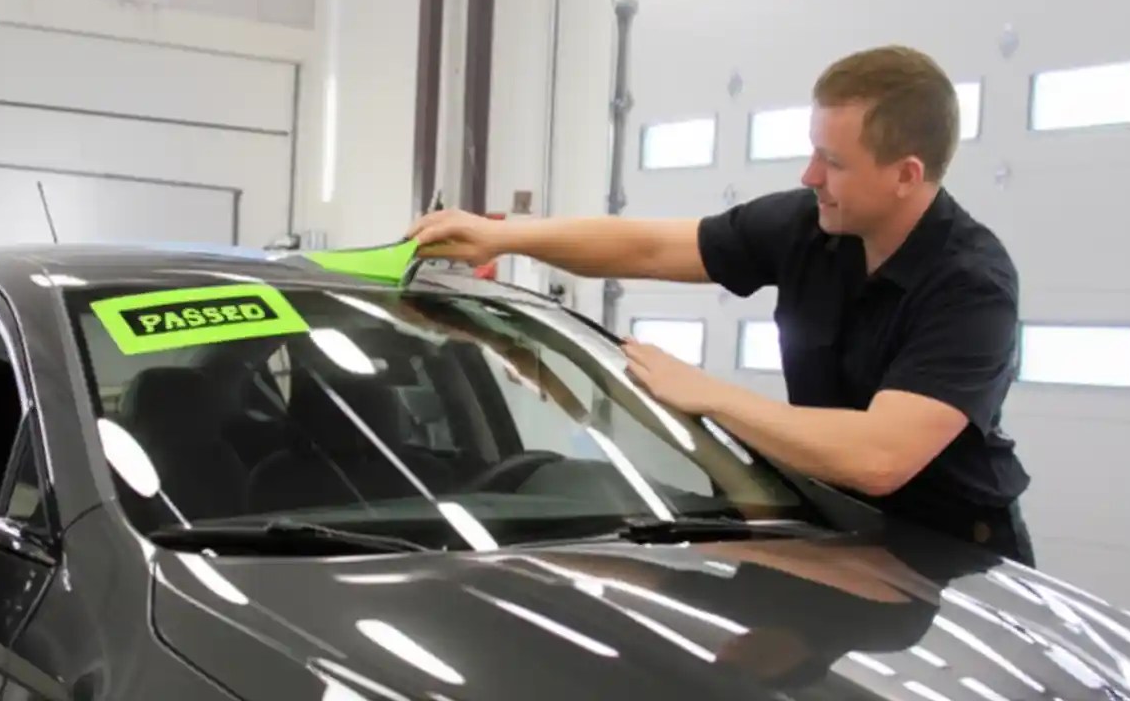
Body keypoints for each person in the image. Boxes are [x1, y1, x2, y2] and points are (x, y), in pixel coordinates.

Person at [405, 44, 1034, 566]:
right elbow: (650, 247)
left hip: (954, 559)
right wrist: (504, 236)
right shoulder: (810, 227)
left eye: (832, 161)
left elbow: (879, 457)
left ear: (906, 175)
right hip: (833, 532)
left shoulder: (971, 288)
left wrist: (707, 395)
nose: (809, 175)